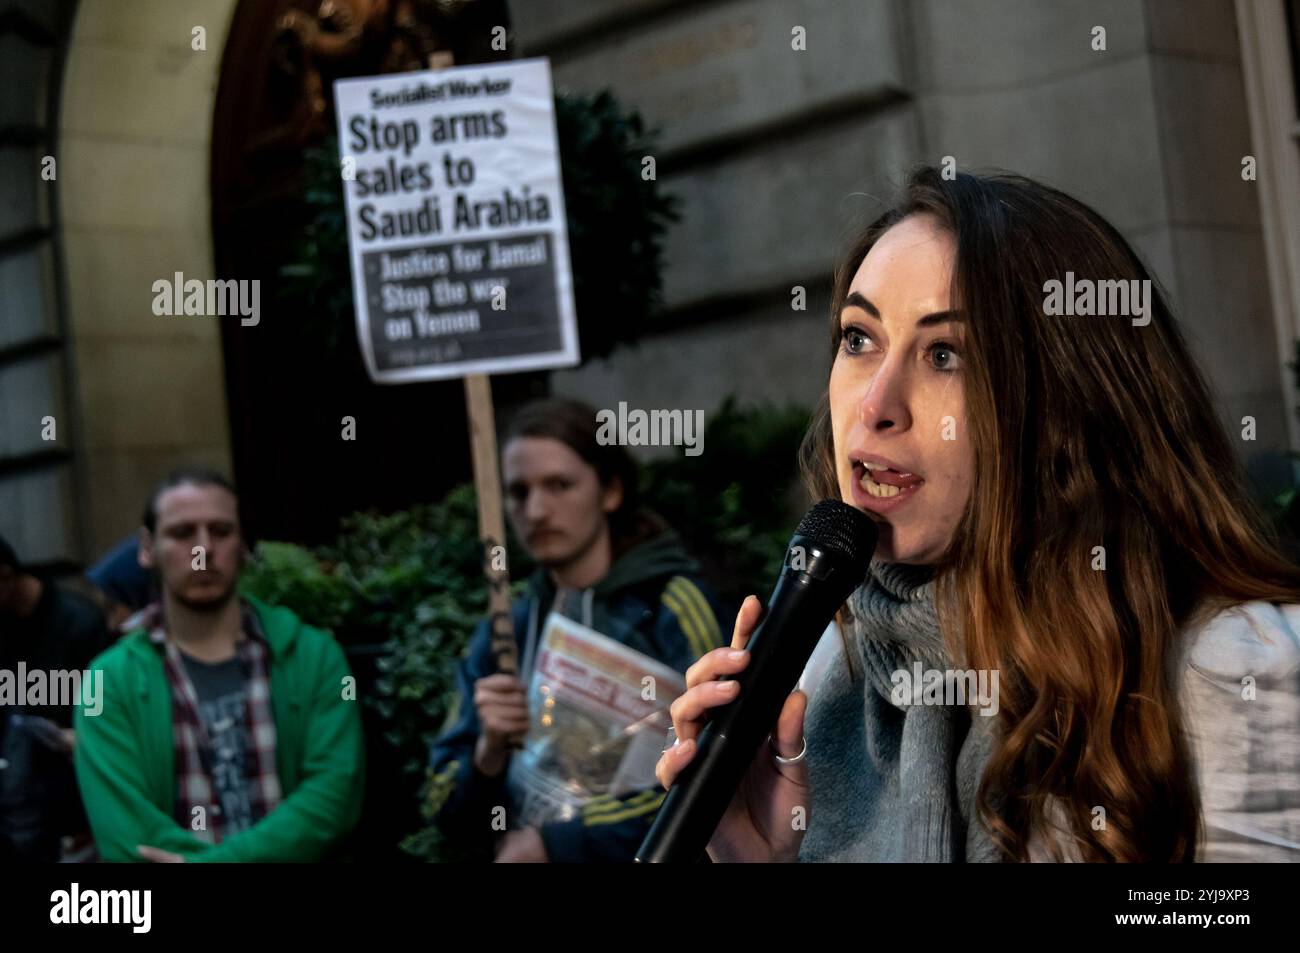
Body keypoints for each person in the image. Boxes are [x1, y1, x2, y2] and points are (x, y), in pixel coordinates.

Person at [657, 166, 1300, 862]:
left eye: (944, 354)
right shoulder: (834, 673)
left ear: (1064, 410)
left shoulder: (1228, 669)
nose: (875, 404)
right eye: (858, 338)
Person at [427, 397, 730, 862]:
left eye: (559, 485)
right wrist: (486, 754)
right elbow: (443, 807)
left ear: (609, 491)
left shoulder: (673, 606)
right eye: (518, 492)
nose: (537, 510)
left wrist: (558, 844)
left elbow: (724, 772)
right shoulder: (506, 632)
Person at [74, 469, 365, 862]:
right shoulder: (107, 682)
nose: (203, 550)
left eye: (221, 531)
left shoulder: (313, 657)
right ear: (147, 548)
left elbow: (333, 799)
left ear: (242, 543)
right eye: (182, 533)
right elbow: (127, 836)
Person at [0, 534, 111, 861]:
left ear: (6, 576)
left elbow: (102, 713)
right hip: (18, 801)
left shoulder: (80, 622)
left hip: (74, 797)